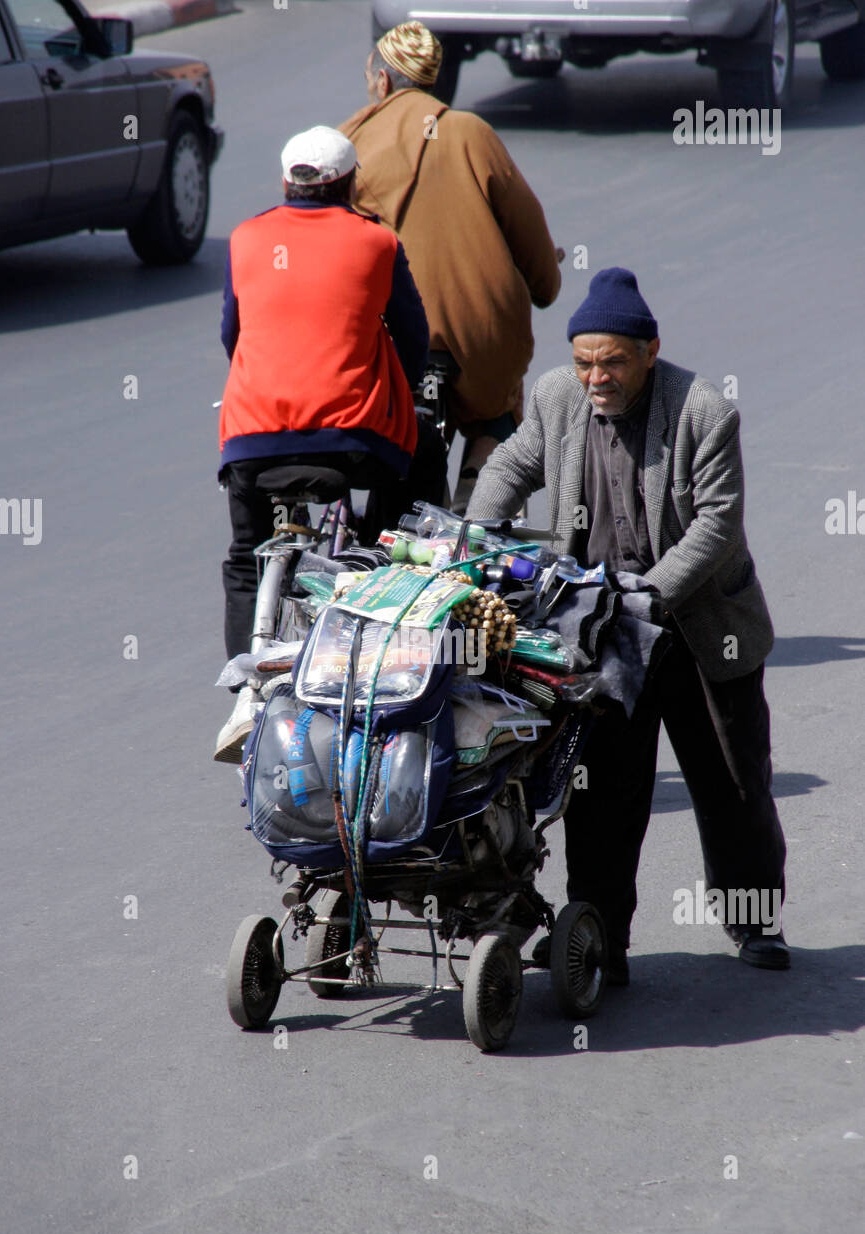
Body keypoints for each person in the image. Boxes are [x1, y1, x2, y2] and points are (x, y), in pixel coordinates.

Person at [466, 267, 788, 981]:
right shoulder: (556, 397)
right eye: (585, 362)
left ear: (649, 351)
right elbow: (512, 464)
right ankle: (599, 936)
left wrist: (650, 591)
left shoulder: (702, 409)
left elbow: (716, 524)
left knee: (732, 782)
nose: (596, 377)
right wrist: (476, 540)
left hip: (703, 627)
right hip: (604, 631)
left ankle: (755, 921)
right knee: (601, 789)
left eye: (612, 361)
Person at [215, 125, 429, 762]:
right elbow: (412, 341)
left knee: (244, 557)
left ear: (286, 182)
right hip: (353, 441)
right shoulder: (376, 241)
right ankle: (388, 606)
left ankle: (243, 697)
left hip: (252, 437)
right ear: (350, 185)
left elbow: (234, 334)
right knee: (400, 525)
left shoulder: (246, 238)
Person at [339, 21, 563, 513]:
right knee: (498, 405)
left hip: (389, 340)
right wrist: (545, 282)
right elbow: (530, 235)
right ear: (433, 80)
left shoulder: (347, 144)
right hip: (482, 337)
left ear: (381, 82)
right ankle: (478, 498)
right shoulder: (470, 131)